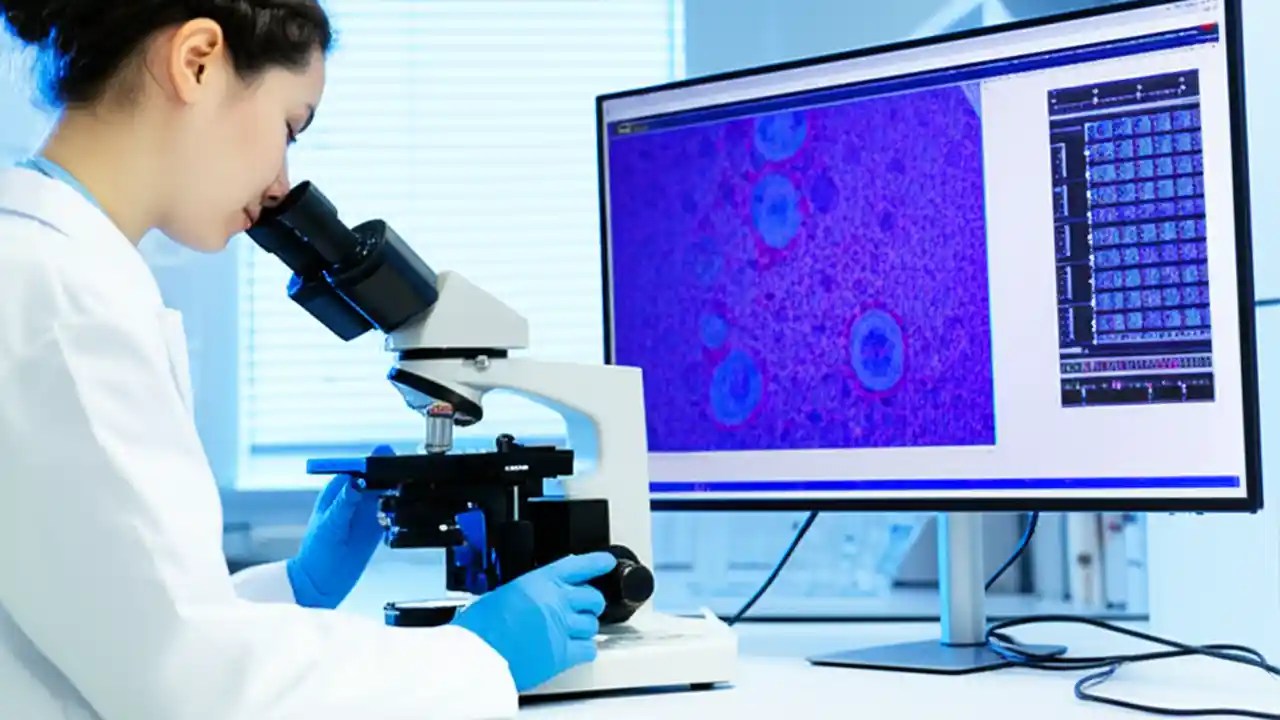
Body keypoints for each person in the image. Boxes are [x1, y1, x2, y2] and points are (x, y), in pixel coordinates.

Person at [0, 1, 618, 718]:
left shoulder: (50, 271)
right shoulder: (62, 300)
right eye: (288, 128)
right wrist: (477, 657)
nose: (278, 187)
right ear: (197, 61)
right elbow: (189, 687)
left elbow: (114, 621)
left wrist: (294, 588)